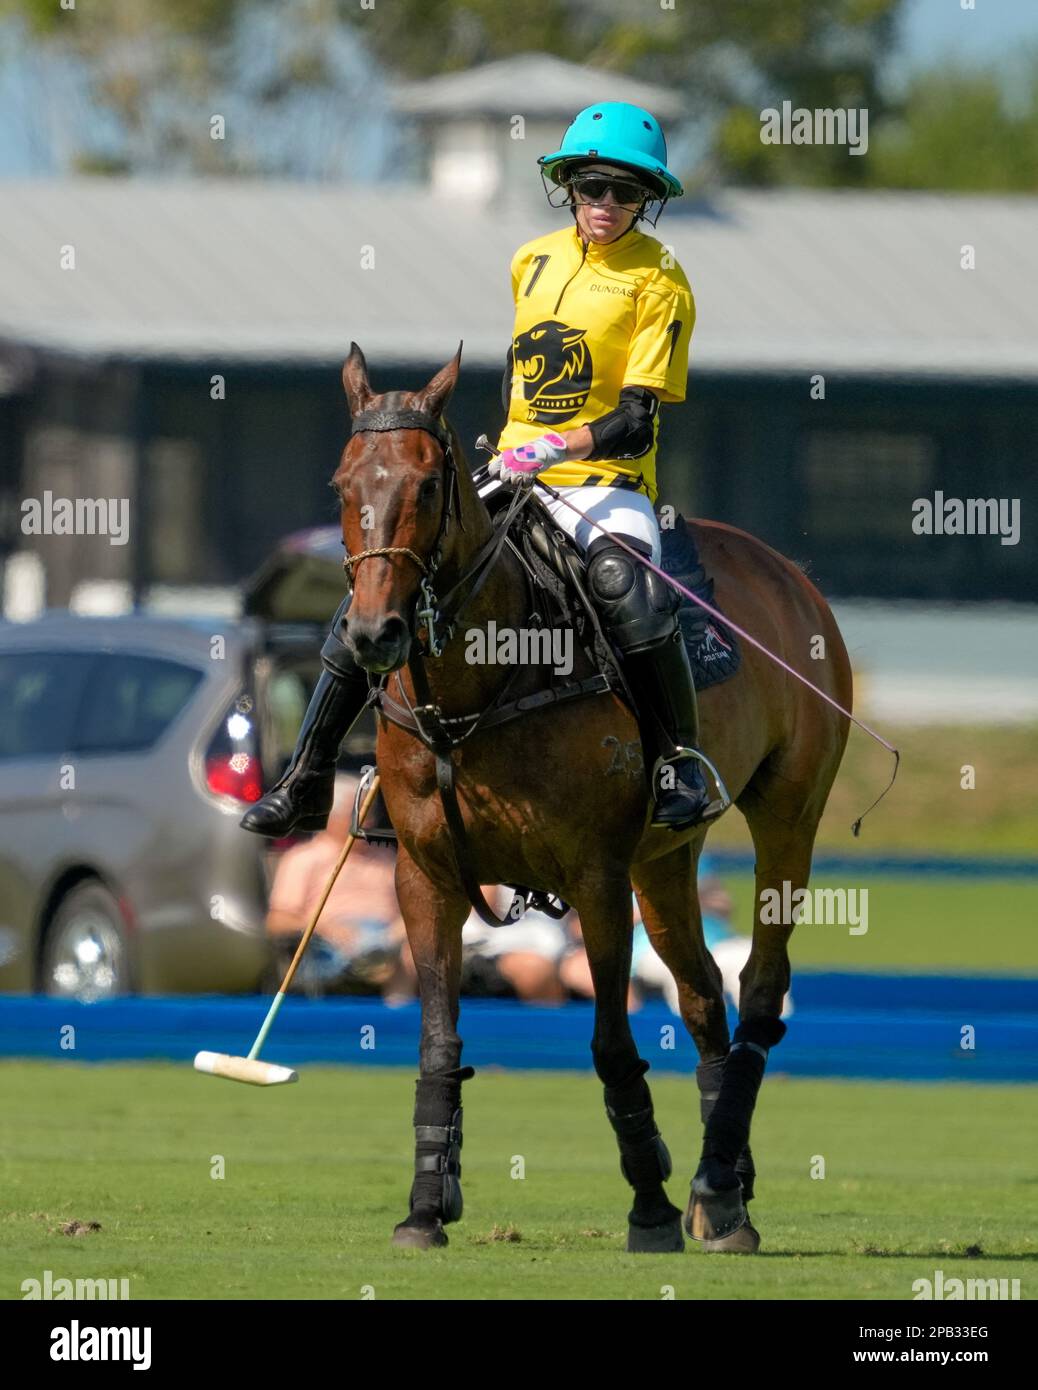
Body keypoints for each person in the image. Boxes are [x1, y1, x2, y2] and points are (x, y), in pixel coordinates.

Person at [240, 100, 722, 839]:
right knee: (388, 572)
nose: (606, 205)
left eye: (625, 192)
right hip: (516, 470)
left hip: (605, 484)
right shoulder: (532, 260)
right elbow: (524, 371)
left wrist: (556, 448)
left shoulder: (660, 279)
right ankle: (307, 776)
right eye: (593, 187)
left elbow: (636, 422)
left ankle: (677, 763)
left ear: (648, 199)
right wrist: (510, 444)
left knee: (627, 589)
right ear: (569, 187)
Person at [264, 774, 411, 998]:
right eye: (360, 814)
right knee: (370, 948)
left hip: (390, 939)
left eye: (371, 814)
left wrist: (402, 928)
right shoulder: (305, 859)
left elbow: (410, 911)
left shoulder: (387, 858)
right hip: (333, 942)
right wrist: (326, 928)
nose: (369, 822)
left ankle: (396, 1021)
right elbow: (277, 921)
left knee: (414, 942)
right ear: (333, 817)